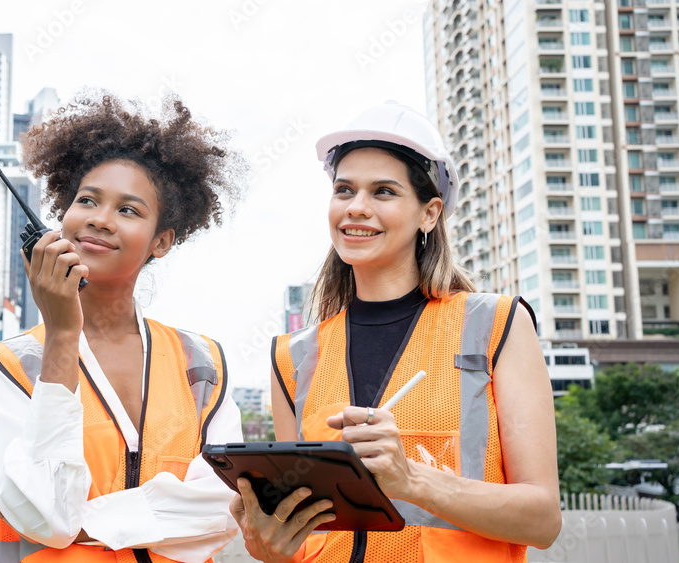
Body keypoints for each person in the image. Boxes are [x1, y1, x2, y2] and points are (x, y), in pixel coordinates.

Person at [229, 102, 562, 562]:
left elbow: (543, 520)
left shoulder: (495, 325)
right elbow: (299, 542)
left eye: (383, 191)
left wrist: (413, 481)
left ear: (429, 214)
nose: (357, 208)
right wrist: (266, 544)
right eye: (344, 190)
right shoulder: (294, 355)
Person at [0, 92, 247, 563]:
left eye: (128, 210)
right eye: (87, 200)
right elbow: (51, 521)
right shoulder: (8, 366)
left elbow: (220, 508)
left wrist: (83, 519)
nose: (99, 219)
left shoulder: (202, 362)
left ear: (161, 241)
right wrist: (60, 335)